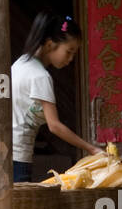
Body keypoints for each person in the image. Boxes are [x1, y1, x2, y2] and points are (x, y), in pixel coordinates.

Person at [11, 12, 102, 183]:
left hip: (7, 153)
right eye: (69, 52)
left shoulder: (21, 63)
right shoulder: (40, 76)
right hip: (18, 157)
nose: (70, 59)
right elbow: (55, 126)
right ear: (50, 44)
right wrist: (92, 149)